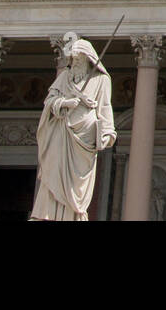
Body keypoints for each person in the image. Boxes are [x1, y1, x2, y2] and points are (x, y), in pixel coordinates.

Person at [30, 36, 116, 220]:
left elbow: (105, 109)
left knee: (76, 188)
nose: (74, 63)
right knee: (52, 175)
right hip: (60, 135)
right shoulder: (64, 78)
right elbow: (49, 102)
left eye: (78, 59)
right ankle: (46, 215)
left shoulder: (101, 80)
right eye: (72, 59)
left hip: (83, 142)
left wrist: (108, 133)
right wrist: (65, 102)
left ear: (87, 59)